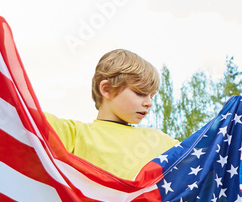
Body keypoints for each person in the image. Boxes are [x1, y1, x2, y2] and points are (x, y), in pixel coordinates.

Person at [45, 48, 177, 180]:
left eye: (152, 96)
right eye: (140, 93)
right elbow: (26, 119)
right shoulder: (74, 134)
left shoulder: (160, 140)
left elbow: (195, 156)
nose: (149, 103)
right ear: (106, 89)